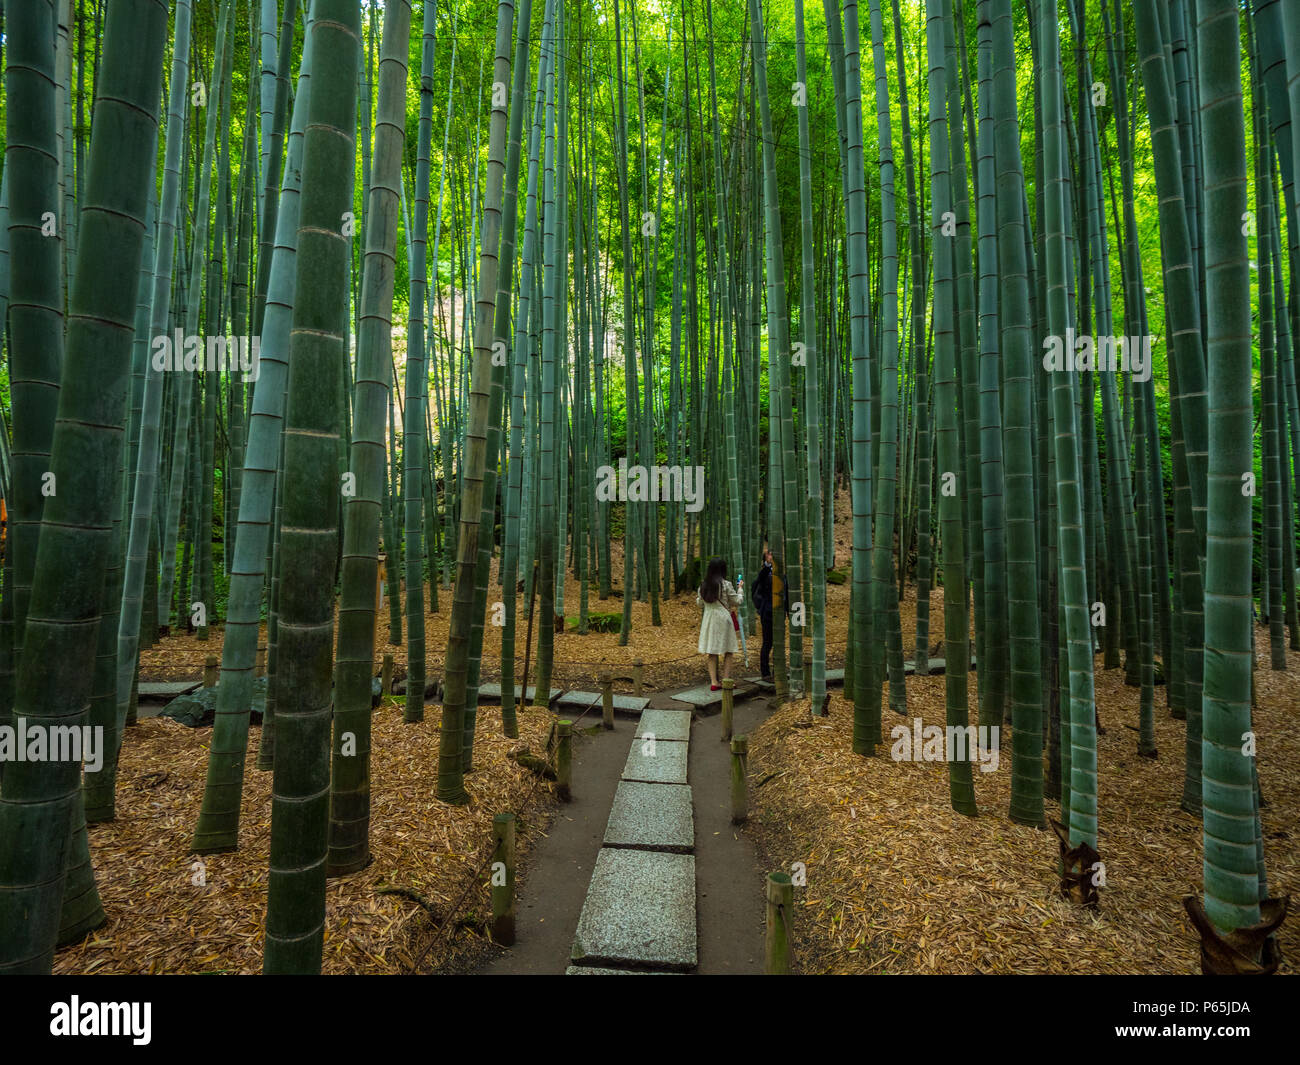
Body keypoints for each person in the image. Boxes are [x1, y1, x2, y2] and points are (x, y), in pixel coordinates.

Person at [696, 557, 744, 691]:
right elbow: (737, 601)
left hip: (709, 618)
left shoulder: (703, 585)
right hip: (723, 618)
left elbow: (700, 603)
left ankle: (713, 682)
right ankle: (726, 680)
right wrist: (740, 589)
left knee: (711, 651)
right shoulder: (726, 584)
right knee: (728, 650)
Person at [752, 547, 774, 679]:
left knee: (779, 643)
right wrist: (767, 564)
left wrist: (796, 617)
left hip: (779, 612)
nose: (772, 556)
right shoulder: (765, 573)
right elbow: (761, 578)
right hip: (767, 612)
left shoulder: (782, 572)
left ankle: (778, 672)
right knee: (768, 642)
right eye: (769, 555)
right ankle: (765, 673)